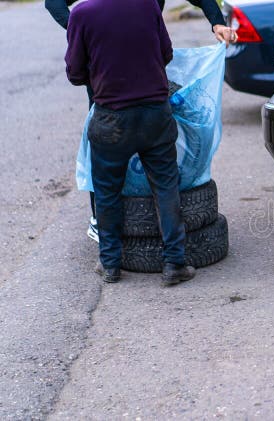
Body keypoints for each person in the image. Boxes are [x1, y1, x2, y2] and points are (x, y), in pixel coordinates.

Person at [46, 0, 236, 243]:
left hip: (141, 79)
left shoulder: (137, 9)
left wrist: (217, 21)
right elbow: (54, 2)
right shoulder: (90, 14)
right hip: (113, 88)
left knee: (137, 158)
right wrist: (83, 30)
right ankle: (103, 223)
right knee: (111, 162)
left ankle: (118, 254)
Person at [65, 0, 196, 286]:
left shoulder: (82, 14)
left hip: (111, 118)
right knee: (165, 185)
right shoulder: (147, 4)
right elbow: (166, 53)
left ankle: (111, 265)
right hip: (155, 114)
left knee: (107, 192)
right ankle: (174, 263)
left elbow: (75, 73)